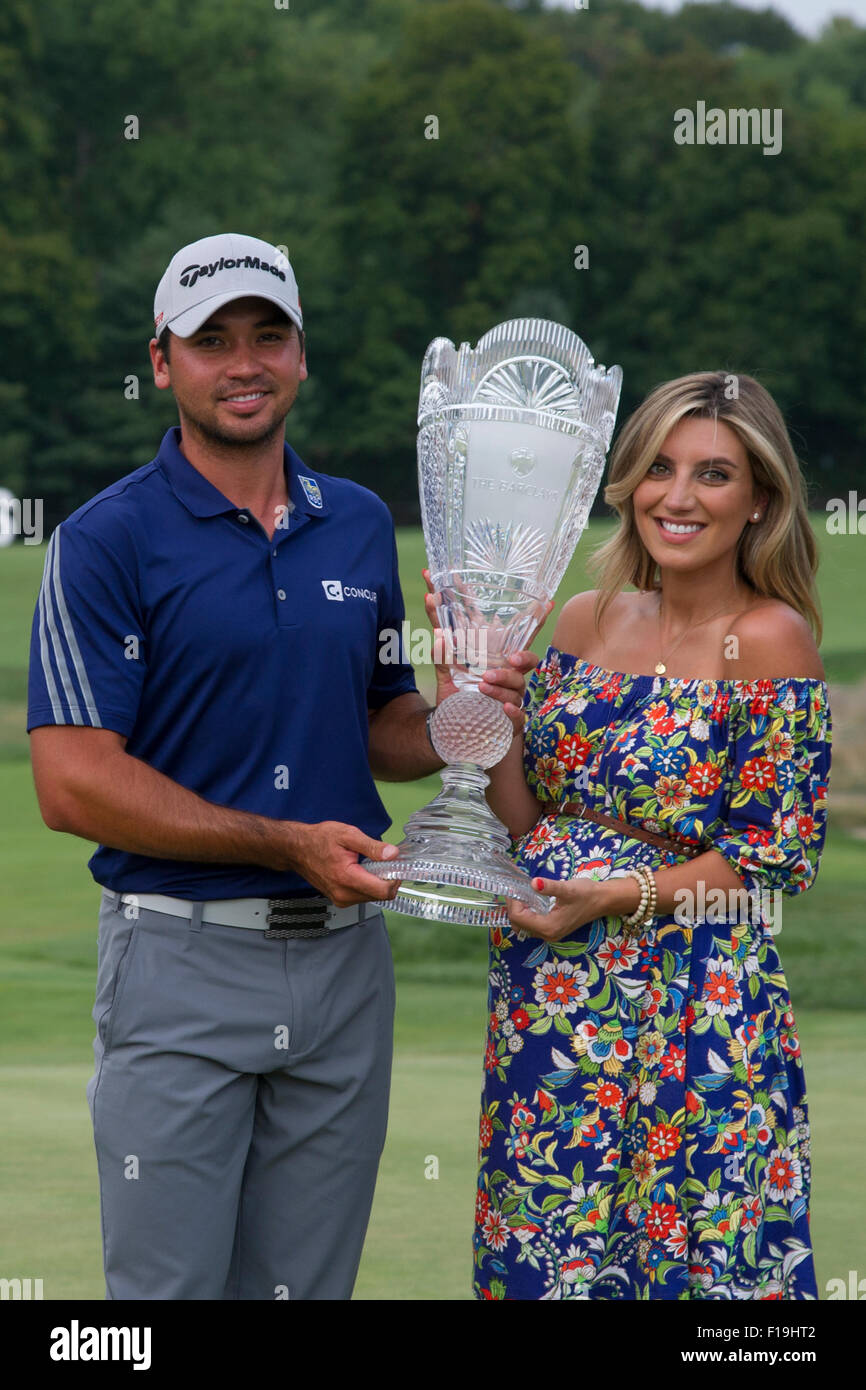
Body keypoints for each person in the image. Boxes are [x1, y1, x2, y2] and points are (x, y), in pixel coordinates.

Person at [26, 231, 519, 1301]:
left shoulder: (350, 523)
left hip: (345, 969)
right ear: (162, 361)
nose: (241, 361)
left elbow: (379, 720)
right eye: (212, 341)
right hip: (178, 962)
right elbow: (71, 781)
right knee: (166, 1303)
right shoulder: (105, 539)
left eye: (267, 334)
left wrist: (463, 717)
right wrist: (280, 842)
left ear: (300, 354)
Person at [462, 371, 832, 1300]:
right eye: (659, 468)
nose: (677, 497)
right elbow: (530, 821)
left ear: (758, 501)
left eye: (714, 475)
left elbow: (769, 860)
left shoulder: (772, 637)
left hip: (697, 1012)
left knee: (698, 1266)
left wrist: (623, 895)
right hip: (552, 1005)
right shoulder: (588, 619)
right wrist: (472, 701)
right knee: (553, 1254)